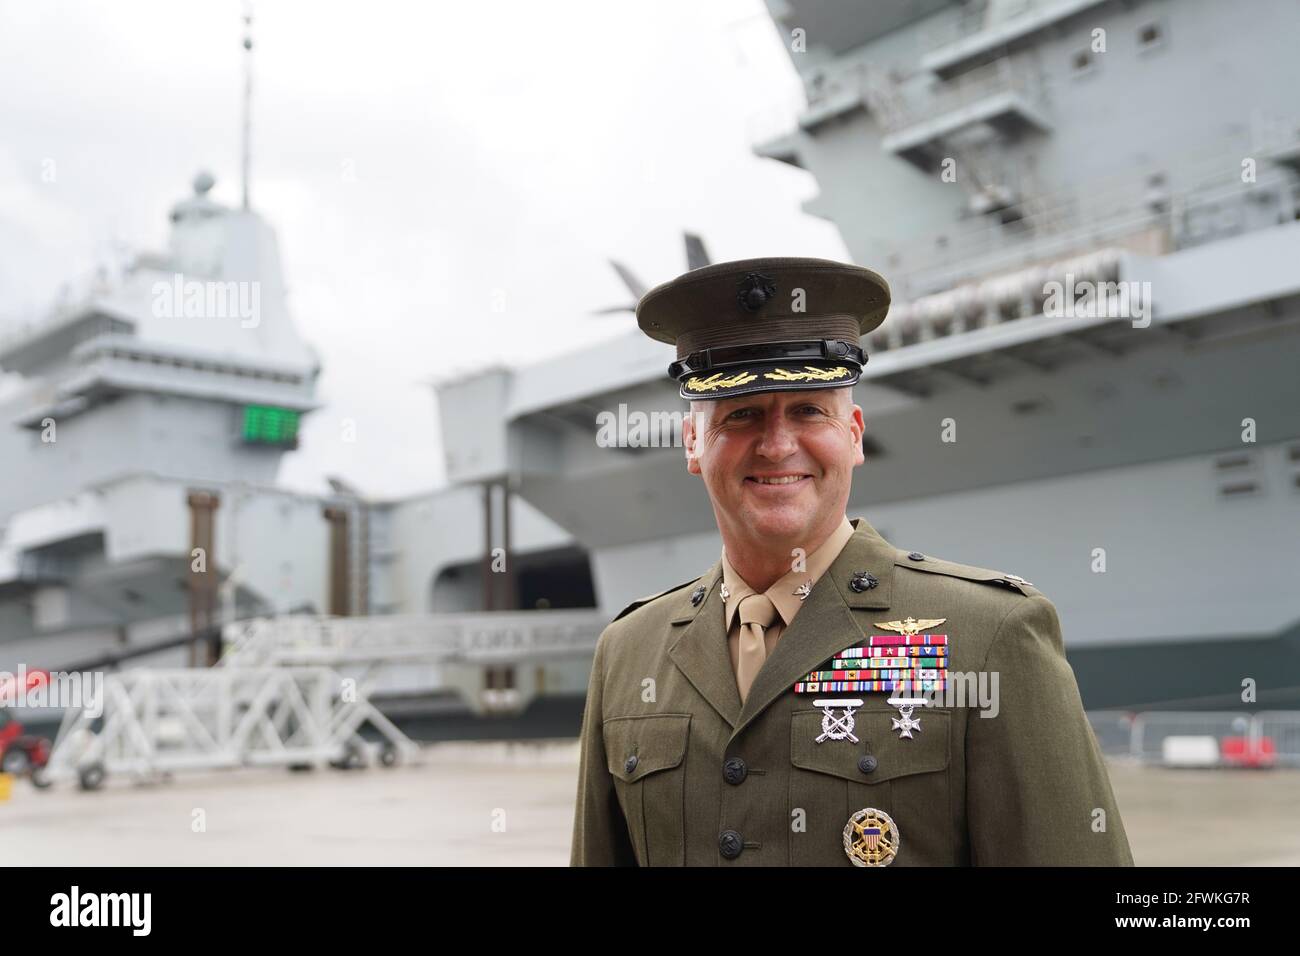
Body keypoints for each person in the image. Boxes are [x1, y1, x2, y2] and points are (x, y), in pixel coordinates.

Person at [570, 257, 1134, 866]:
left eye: (809, 409)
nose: (778, 444)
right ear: (691, 443)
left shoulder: (989, 636)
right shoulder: (628, 653)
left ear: (855, 433)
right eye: (741, 414)